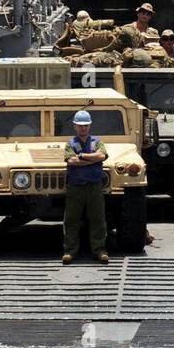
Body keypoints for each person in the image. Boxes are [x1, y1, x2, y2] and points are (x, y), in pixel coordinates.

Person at [62, 110, 108, 264]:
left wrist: (81, 156)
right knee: (71, 220)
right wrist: (92, 159)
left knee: (98, 219)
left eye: (86, 125)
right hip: (76, 187)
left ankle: (99, 250)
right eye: (80, 126)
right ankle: (70, 251)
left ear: (90, 126)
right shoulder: (70, 144)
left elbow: (102, 156)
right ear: (75, 126)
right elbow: (71, 161)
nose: (83, 128)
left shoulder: (97, 141)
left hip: (94, 186)